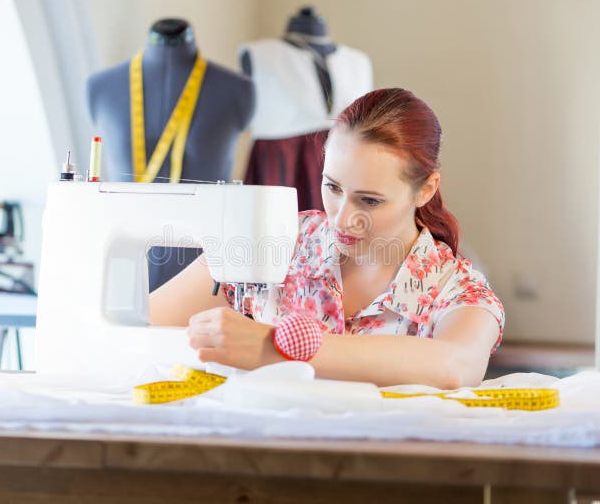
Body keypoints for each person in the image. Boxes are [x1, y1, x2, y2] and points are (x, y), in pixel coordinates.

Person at [149, 88, 504, 389]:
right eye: (332, 187)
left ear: (426, 189)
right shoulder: (277, 240)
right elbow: (145, 320)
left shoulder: (456, 289)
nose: (342, 218)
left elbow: (456, 365)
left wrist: (273, 347)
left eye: (369, 200)